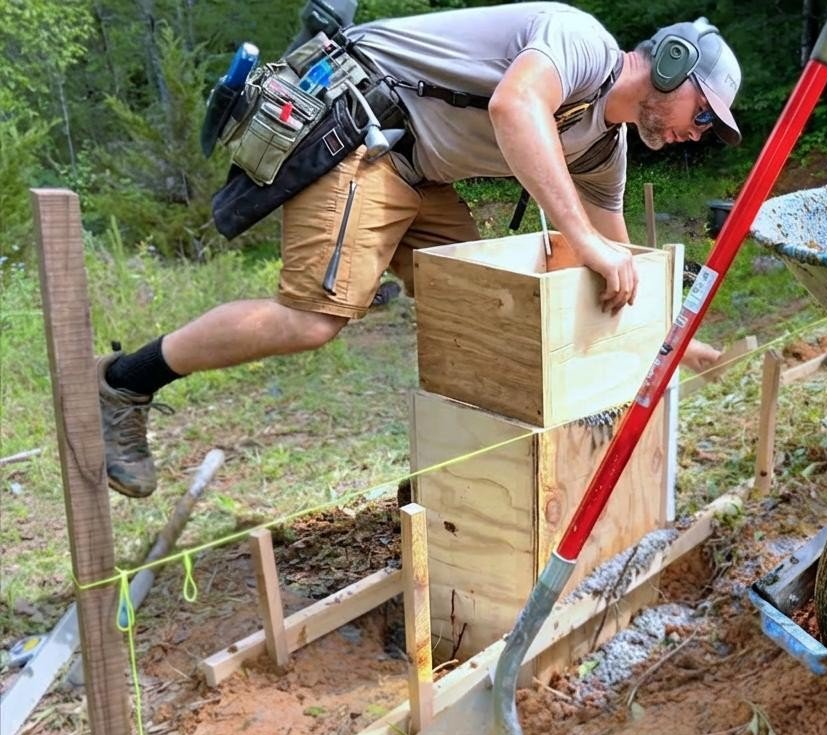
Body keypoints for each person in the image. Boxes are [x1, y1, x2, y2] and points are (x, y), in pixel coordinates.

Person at [98, 2, 742, 497]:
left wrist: (673, 340)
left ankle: (443, 491)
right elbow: (515, 106)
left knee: (489, 313)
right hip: (358, 129)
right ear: (673, 65)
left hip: (417, 169)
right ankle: (128, 384)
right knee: (314, 319)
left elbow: (616, 263)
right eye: (703, 112)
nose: (697, 131)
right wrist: (584, 242)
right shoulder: (581, 42)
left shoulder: (606, 148)